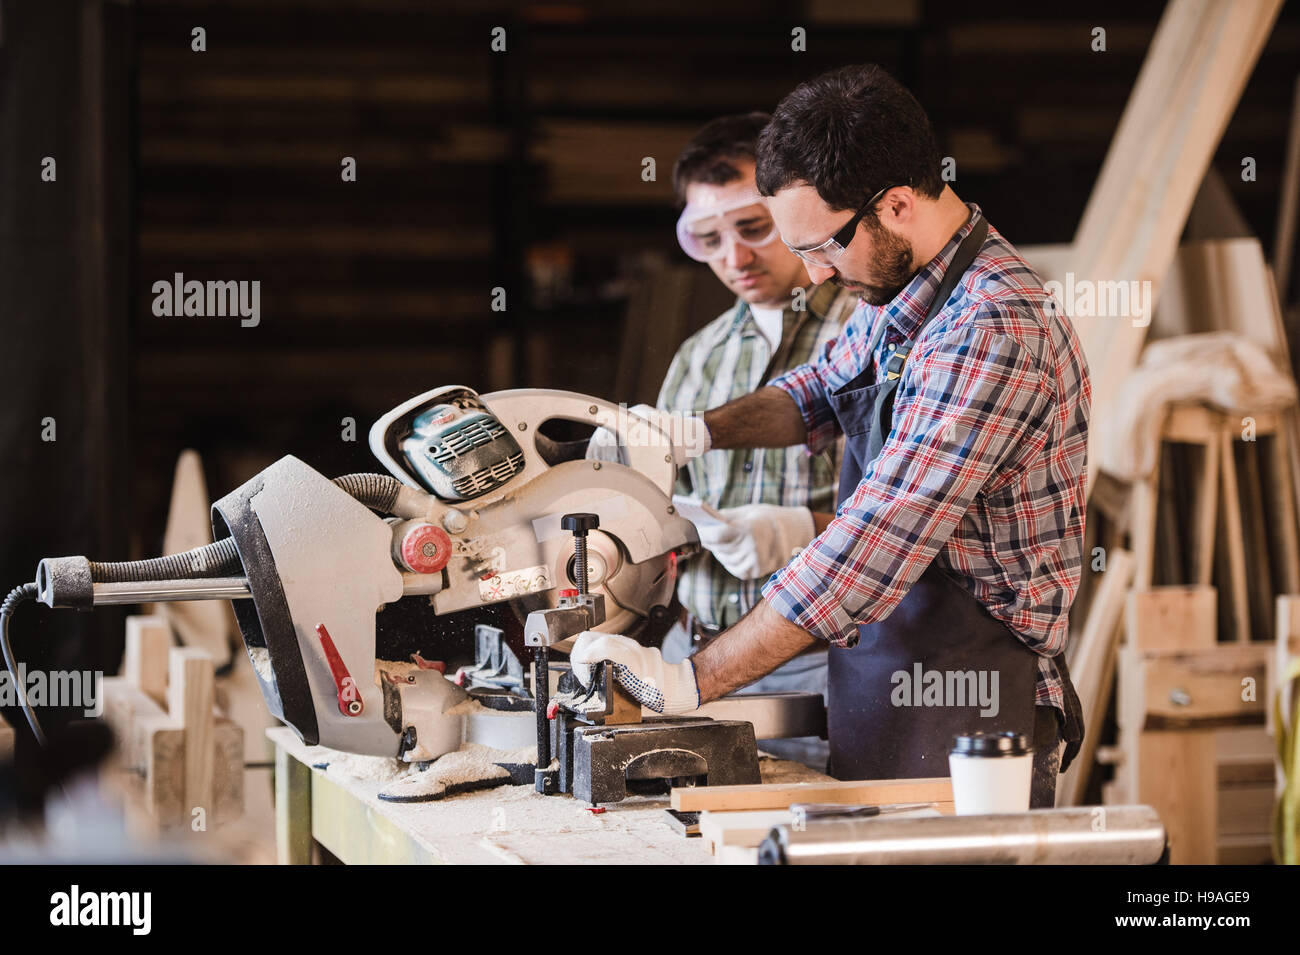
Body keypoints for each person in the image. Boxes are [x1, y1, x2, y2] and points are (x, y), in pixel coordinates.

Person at [573, 64, 1089, 806]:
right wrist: (692, 432)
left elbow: (872, 544)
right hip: (890, 673)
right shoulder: (901, 293)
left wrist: (689, 679)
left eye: (823, 247)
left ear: (899, 204)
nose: (812, 275)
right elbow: (818, 389)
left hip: (975, 691)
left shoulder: (991, 325)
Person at [592, 113, 856, 768]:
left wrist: (802, 529)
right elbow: (665, 517)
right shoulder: (698, 357)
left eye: (754, 228)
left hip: (827, 666)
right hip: (700, 657)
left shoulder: (866, 332)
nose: (734, 258)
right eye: (708, 239)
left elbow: (917, 520)